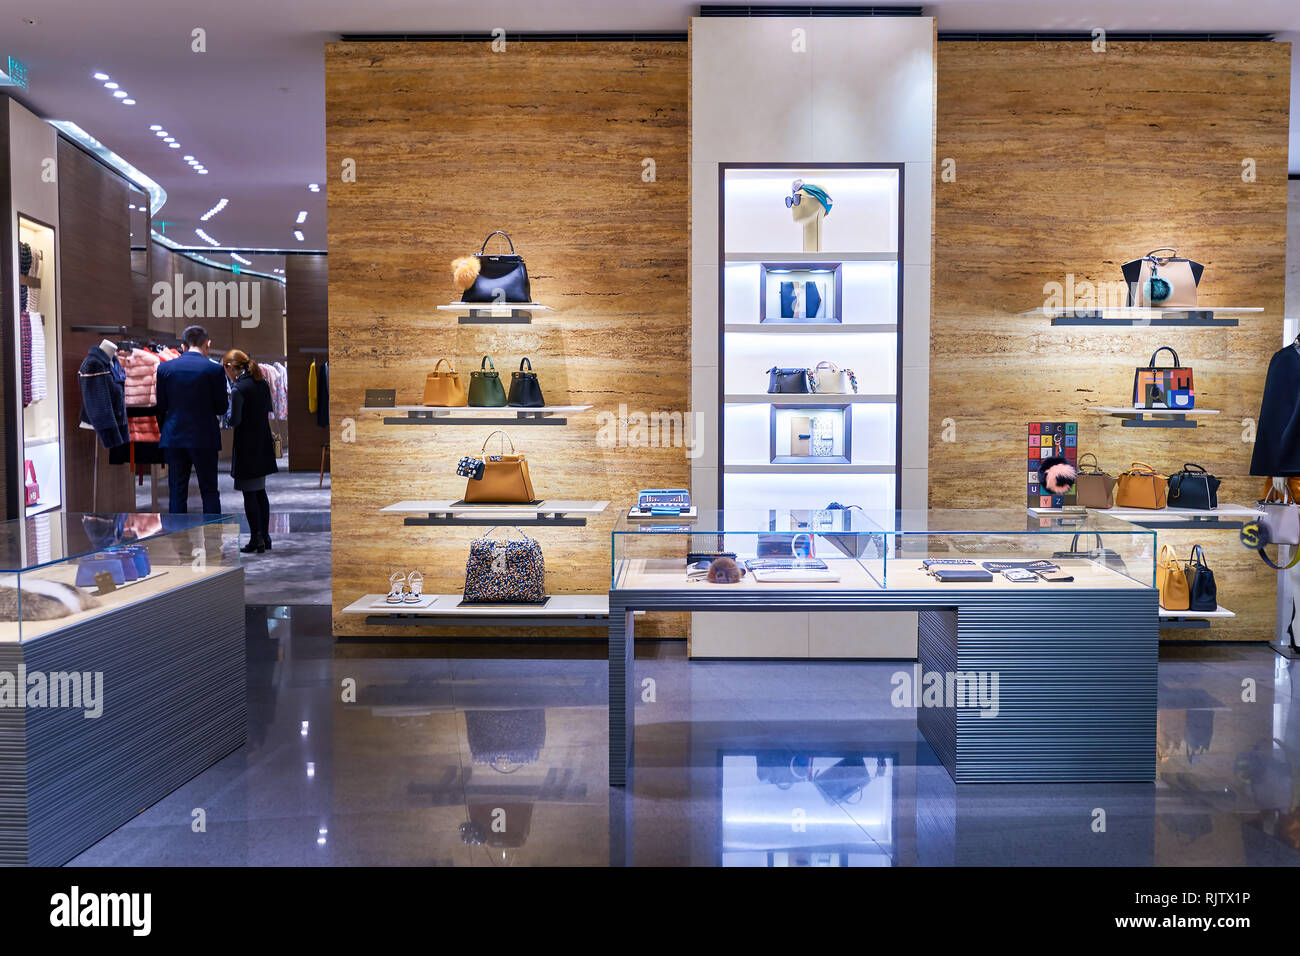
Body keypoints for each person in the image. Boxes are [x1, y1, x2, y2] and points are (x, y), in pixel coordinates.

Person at [156, 325, 229, 514]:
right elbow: (222, 407)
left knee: (177, 492)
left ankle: (178, 539)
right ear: (208, 344)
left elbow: (161, 405)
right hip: (205, 437)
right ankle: (213, 540)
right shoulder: (214, 370)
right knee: (210, 491)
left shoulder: (164, 368)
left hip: (174, 435)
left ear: (183, 346)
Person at [222, 349, 279, 553]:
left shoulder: (239, 389)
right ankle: (265, 536)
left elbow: (234, 420)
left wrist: (227, 410)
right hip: (262, 443)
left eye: (225, 369)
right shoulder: (261, 383)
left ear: (230, 367)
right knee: (260, 492)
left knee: (249, 494)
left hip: (246, 445)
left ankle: (256, 539)